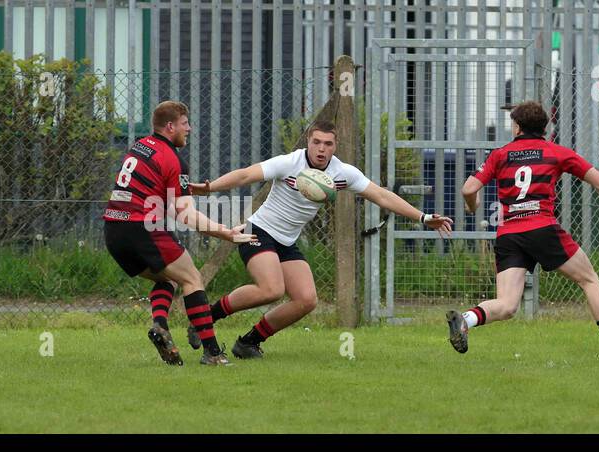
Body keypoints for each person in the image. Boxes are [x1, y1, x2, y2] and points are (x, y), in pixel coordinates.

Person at [189, 122, 453, 358]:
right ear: (308, 141)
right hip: (259, 231)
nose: (321, 149)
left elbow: (381, 195)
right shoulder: (289, 163)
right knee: (271, 289)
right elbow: (246, 174)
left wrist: (423, 217)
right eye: (316, 142)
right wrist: (209, 187)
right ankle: (205, 318)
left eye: (328, 144)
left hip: (287, 241)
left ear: (335, 146)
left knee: (306, 300)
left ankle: (249, 342)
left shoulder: (342, 173)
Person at [448, 101, 599, 362]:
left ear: (517, 126)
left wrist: (473, 207)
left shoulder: (500, 154)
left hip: (509, 234)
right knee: (588, 280)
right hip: (542, 228)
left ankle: (466, 320)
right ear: (544, 127)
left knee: (506, 305)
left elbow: (468, 189)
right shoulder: (556, 152)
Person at [103, 101, 255, 366]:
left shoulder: (139, 147)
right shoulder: (172, 159)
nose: (190, 129)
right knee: (192, 279)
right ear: (170, 126)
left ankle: (160, 326)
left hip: (114, 231)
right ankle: (212, 353)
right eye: (185, 123)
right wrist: (226, 233)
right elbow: (185, 214)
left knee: (168, 279)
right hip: (142, 227)